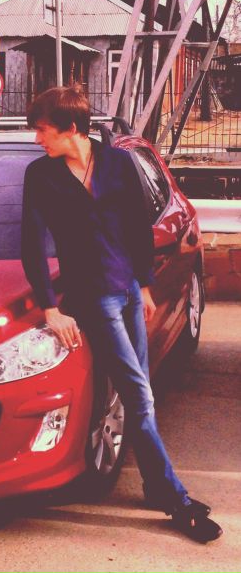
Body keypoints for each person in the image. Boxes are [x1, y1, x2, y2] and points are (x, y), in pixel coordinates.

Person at [20, 85, 222, 543]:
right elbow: (31, 243)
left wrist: (144, 284)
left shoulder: (118, 163)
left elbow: (135, 226)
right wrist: (50, 307)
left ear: (72, 128)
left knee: (140, 388)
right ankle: (175, 499)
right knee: (139, 394)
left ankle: (155, 484)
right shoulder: (41, 175)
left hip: (128, 289)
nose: (37, 139)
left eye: (43, 130)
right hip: (94, 298)